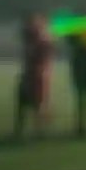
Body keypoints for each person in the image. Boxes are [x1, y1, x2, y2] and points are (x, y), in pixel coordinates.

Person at [15, 12, 56, 140]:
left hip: (39, 74)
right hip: (29, 73)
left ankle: (39, 130)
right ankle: (20, 129)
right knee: (22, 101)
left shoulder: (44, 40)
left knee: (39, 103)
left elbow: (45, 56)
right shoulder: (31, 36)